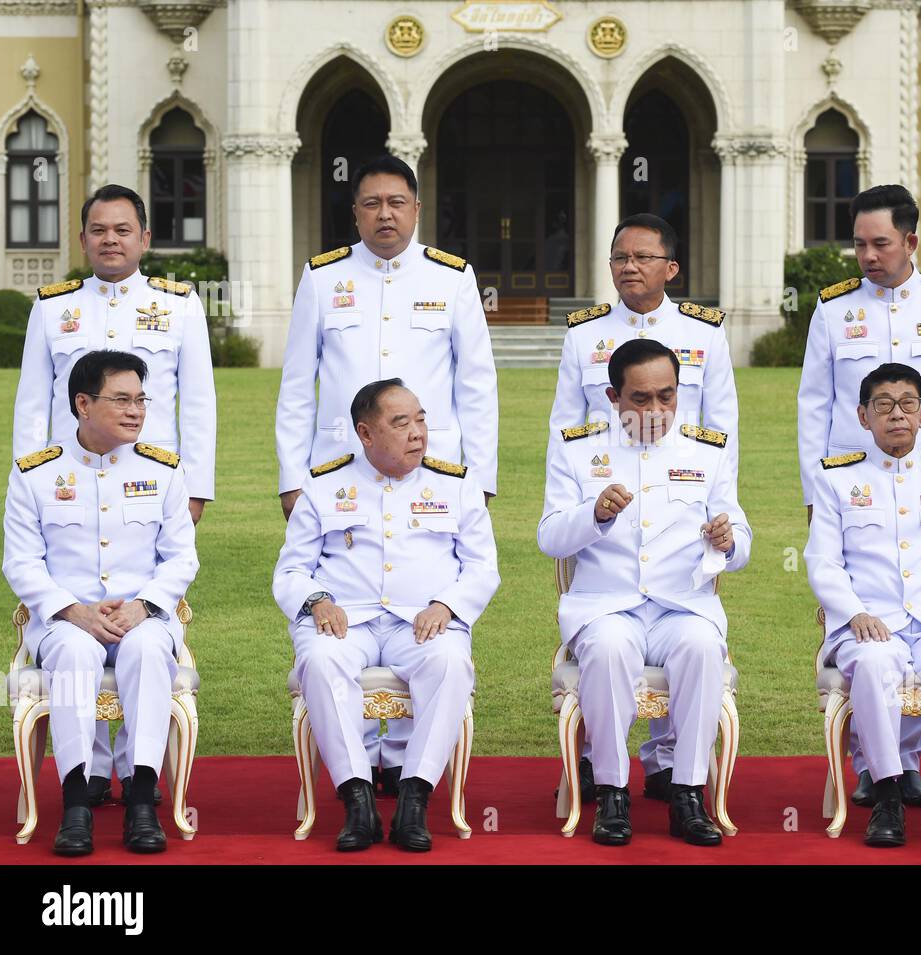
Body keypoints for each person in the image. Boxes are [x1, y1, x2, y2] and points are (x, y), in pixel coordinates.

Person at [276, 154, 499, 794]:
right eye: (371, 203)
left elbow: (476, 383)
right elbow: (297, 384)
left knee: (422, 609)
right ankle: (359, 770)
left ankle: (400, 768)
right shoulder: (324, 278)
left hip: (433, 469)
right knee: (345, 595)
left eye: (396, 202)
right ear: (356, 212)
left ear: (416, 208)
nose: (384, 214)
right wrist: (294, 476)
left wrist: (475, 478)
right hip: (340, 469)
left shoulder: (451, 278)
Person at [13, 183, 215, 806]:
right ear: (83, 240)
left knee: (138, 618)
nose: (110, 240)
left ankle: (136, 773)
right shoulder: (53, 308)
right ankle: (91, 774)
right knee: (82, 622)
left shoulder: (178, 305)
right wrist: (30, 481)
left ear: (145, 239)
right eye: (98, 230)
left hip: (152, 491)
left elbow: (199, 401)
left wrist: (197, 487)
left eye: (123, 230)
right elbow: (31, 405)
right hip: (67, 489)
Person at [797, 183, 921, 808]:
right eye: (859, 244)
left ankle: (912, 762)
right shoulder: (833, 310)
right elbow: (814, 406)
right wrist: (815, 490)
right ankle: (875, 766)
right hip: (854, 487)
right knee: (871, 626)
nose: (868, 255)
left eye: (880, 243)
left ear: (911, 241)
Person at [547, 212, 739, 803]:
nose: (628, 267)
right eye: (619, 258)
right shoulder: (584, 334)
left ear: (670, 267)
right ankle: (609, 779)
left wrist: (719, 521)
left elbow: (721, 426)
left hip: (682, 501)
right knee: (612, 641)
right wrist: (592, 504)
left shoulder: (703, 334)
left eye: (642, 257)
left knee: (690, 639)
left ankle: (672, 770)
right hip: (607, 493)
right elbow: (565, 425)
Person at [538, 338, 751, 847]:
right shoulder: (577, 447)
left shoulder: (708, 449)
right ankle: (612, 792)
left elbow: (740, 538)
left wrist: (729, 541)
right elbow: (550, 537)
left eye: (666, 396)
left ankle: (689, 793)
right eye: (640, 399)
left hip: (683, 606)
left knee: (702, 647)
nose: (655, 410)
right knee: (610, 649)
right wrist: (596, 515)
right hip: (607, 605)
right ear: (613, 397)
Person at [273, 379, 499, 852]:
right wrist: (317, 600)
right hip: (345, 620)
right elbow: (291, 568)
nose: (418, 432)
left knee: (450, 664)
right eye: (401, 423)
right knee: (319, 661)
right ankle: (357, 800)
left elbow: (482, 569)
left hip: (422, 621)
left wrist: (447, 605)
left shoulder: (456, 484)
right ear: (365, 433)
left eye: (421, 419)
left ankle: (414, 798)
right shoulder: (323, 485)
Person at [3, 350, 199, 855]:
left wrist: (144, 605)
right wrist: (73, 611)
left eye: (140, 400)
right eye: (121, 400)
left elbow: (181, 560)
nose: (136, 411)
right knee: (72, 653)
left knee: (149, 651)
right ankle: (75, 806)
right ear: (83, 404)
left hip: (142, 615)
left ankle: (140, 801)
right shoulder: (35, 473)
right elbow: (21, 563)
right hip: (66, 619)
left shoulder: (166, 470)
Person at [804, 363, 921, 848]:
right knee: (873, 661)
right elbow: (823, 563)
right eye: (883, 405)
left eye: (908, 403)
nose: (897, 414)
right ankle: (886, 794)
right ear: (863, 416)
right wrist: (854, 615)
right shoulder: (835, 479)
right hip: (870, 623)